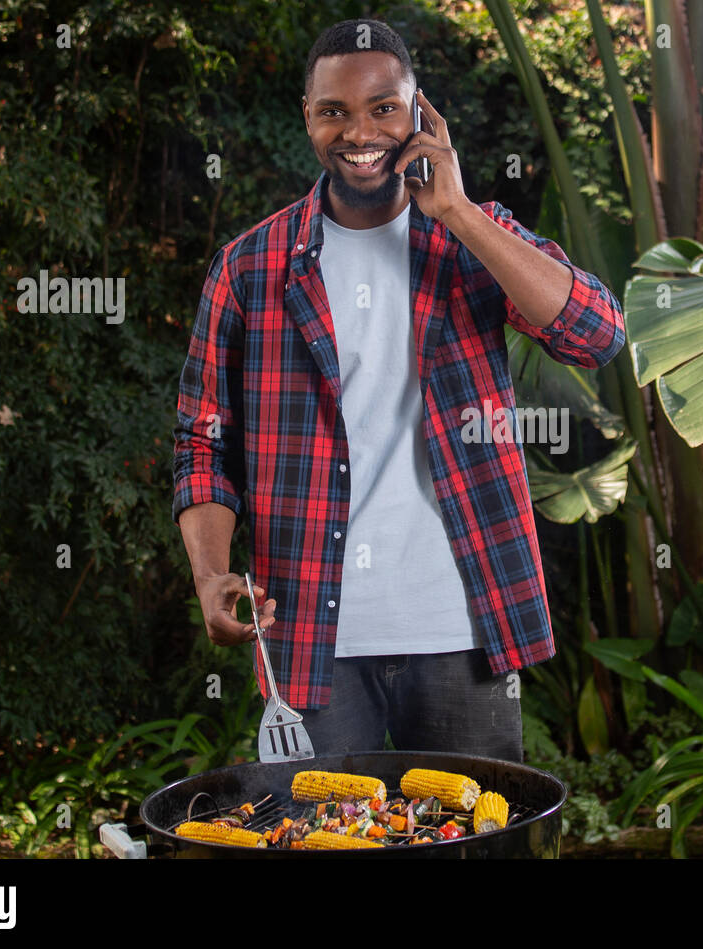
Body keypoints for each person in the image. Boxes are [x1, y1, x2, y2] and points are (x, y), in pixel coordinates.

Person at [172, 18, 624, 762]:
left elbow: (596, 335)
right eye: (334, 111)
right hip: (311, 640)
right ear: (308, 118)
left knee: (476, 846)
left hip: (463, 631)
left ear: (421, 116)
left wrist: (457, 210)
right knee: (313, 846)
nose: (359, 130)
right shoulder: (250, 268)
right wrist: (213, 576)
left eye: (384, 107)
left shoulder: (476, 240)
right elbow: (203, 439)